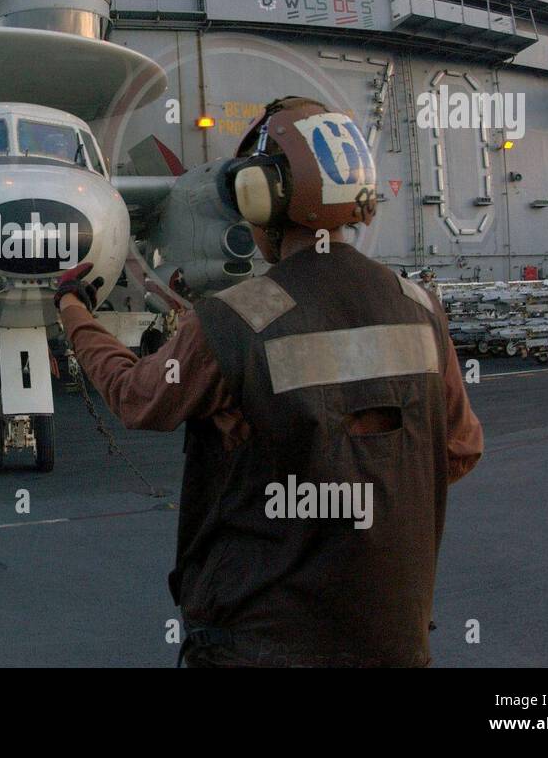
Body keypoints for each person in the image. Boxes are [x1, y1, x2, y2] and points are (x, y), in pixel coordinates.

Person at [55, 96, 483, 668]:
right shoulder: (420, 307)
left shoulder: (236, 318)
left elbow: (138, 400)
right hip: (394, 640)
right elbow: (459, 449)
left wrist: (76, 313)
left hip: (259, 643)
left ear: (262, 198)